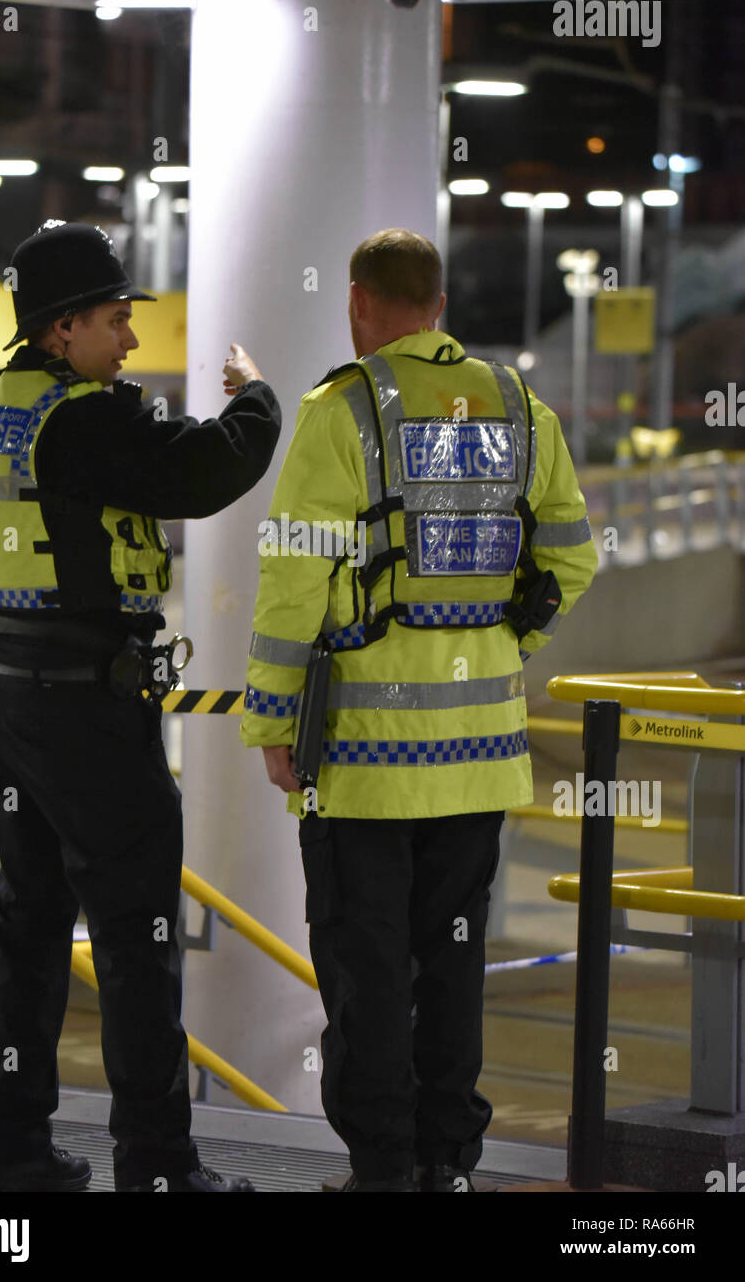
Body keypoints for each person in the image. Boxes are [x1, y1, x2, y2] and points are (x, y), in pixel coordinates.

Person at [241, 228, 598, 1192]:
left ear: (357, 302)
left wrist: (274, 720)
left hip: (363, 761)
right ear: (436, 309)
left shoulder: (341, 410)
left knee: (366, 975)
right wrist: (499, 643)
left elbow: (293, 581)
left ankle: (384, 1170)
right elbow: (571, 557)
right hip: (479, 757)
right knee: (450, 969)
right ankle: (448, 1163)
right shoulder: (519, 406)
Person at [0, 219, 281, 1193]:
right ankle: (158, 1165)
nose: (130, 342)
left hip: (0, 695)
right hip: (86, 704)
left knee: (31, 927)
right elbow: (209, 467)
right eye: (118, 320)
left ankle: (6, 1149)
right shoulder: (83, 417)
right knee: (137, 938)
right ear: (62, 328)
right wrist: (257, 396)